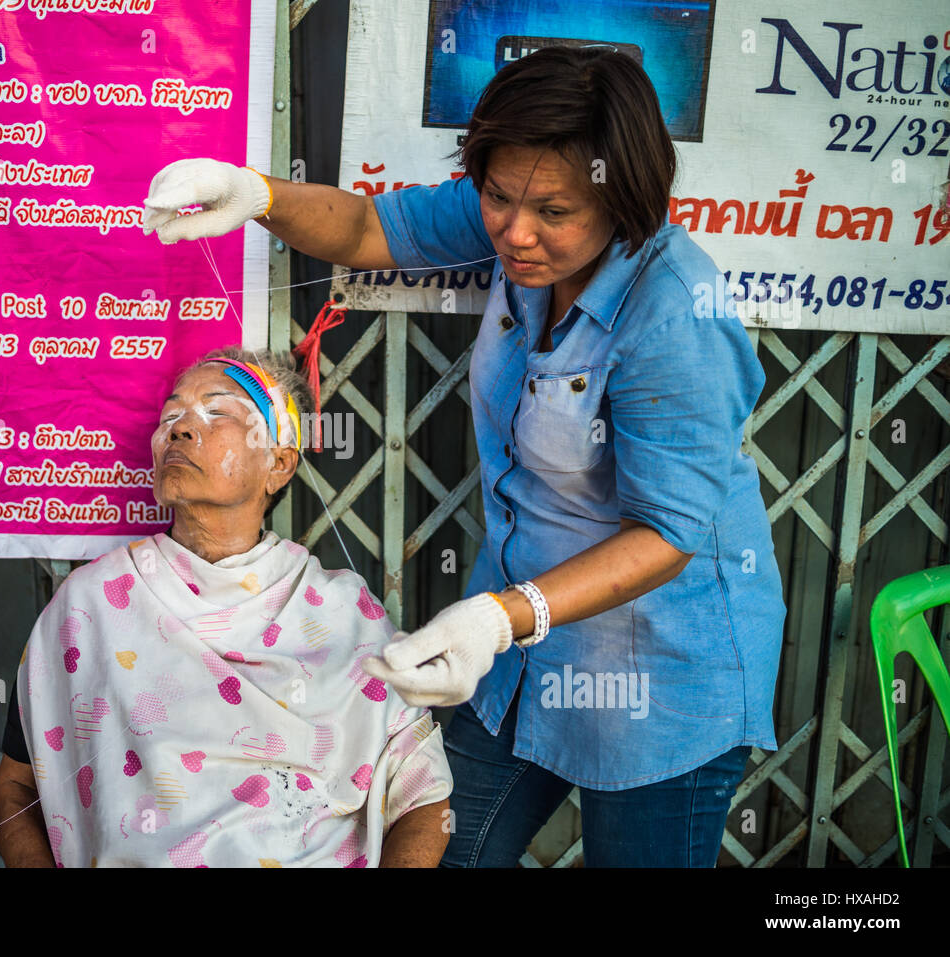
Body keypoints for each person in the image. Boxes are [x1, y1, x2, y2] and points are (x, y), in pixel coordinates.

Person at [141, 46, 786, 867]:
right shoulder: (519, 229)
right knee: (446, 853)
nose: (515, 233)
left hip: (659, 669)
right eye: (498, 197)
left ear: (623, 199)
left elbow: (667, 532)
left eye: (553, 211)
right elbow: (369, 228)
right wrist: (255, 194)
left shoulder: (672, 315)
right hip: (519, 653)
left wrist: (496, 617)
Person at [0, 348, 452, 867]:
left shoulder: (343, 612)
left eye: (218, 413)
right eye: (171, 416)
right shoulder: (89, 606)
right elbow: (16, 788)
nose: (181, 430)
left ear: (278, 464)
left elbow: (424, 793)